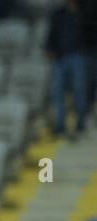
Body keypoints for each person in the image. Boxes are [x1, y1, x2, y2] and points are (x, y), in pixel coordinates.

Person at [46, 0, 91, 138]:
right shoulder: (59, 14)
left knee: (79, 90)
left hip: (79, 56)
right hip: (61, 57)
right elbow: (52, 33)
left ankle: (80, 122)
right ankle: (60, 125)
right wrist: (50, 48)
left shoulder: (85, 13)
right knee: (58, 93)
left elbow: (90, 33)